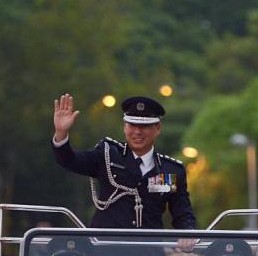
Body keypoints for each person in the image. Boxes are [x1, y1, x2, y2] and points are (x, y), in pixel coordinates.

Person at [52, 94, 196, 231]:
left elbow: (183, 214)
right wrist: (61, 133)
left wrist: (188, 234)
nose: (137, 132)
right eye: (132, 125)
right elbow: (69, 160)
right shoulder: (108, 154)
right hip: (106, 250)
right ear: (124, 127)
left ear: (157, 128)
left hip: (148, 252)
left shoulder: (170, 170)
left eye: (144, 126)